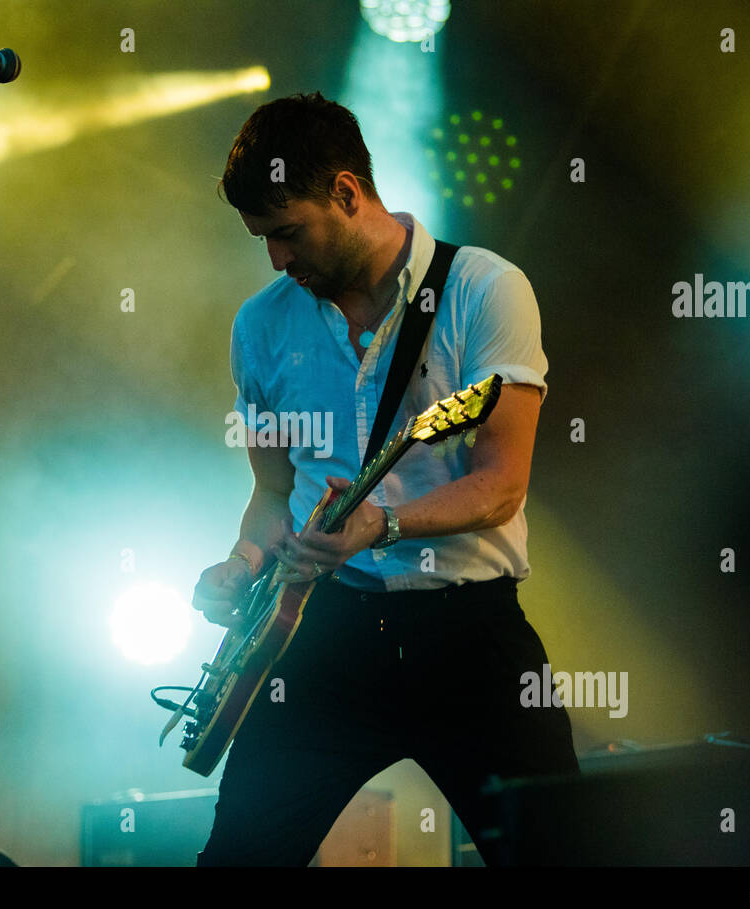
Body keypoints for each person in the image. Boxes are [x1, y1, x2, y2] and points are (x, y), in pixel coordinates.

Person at [191, 92, 578, 866]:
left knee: (562, 856)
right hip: (323, 637)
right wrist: (241, 564)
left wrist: (386, 525)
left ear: (346, 192)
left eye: (287, 232)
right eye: (263, 239)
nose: (276, 259)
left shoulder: (486, 288)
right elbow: (272, 496)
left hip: (469, 639)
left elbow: (502, 484)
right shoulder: (260, 325)